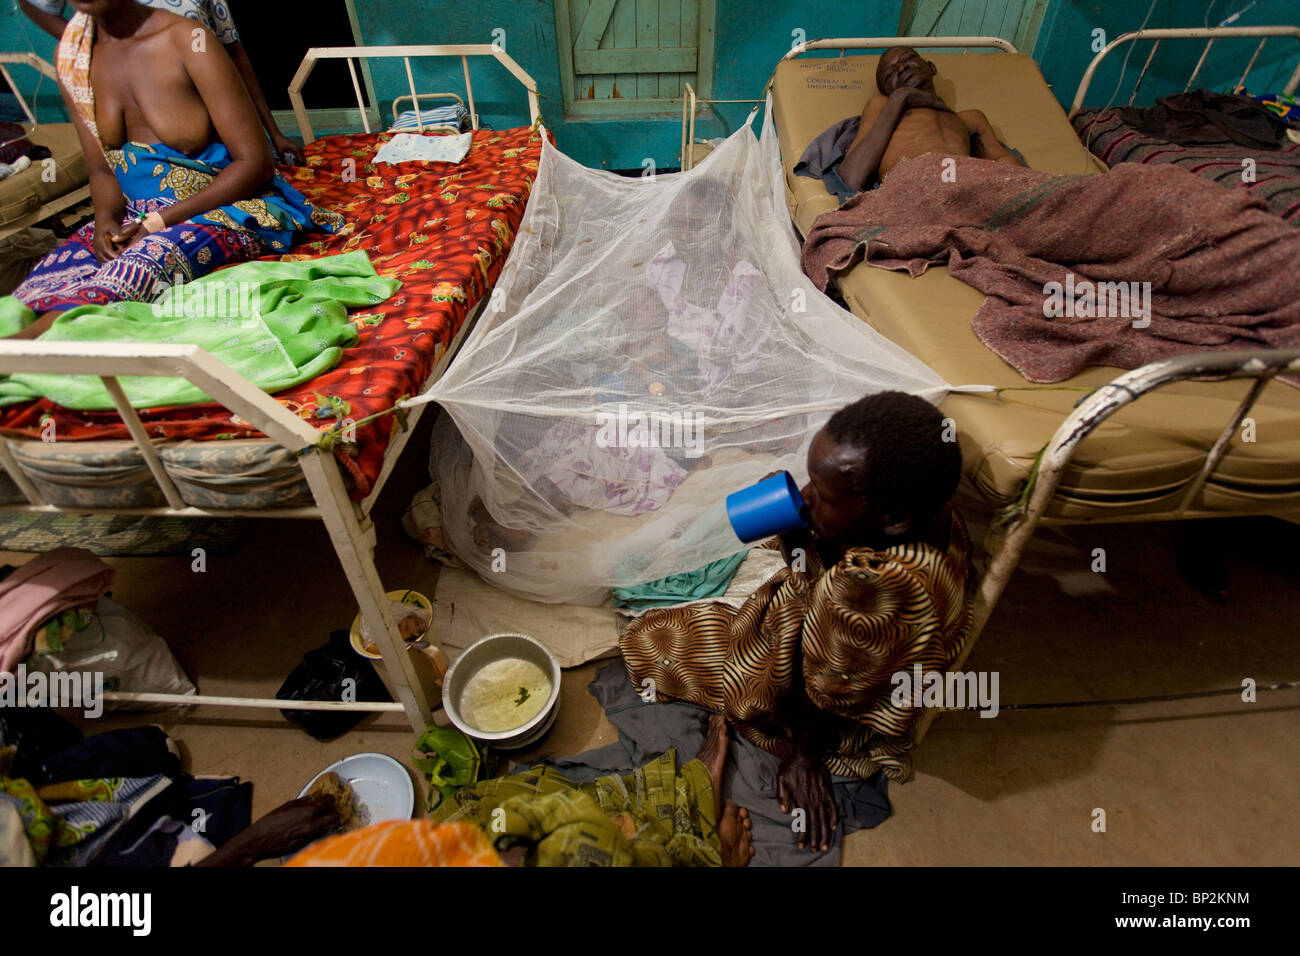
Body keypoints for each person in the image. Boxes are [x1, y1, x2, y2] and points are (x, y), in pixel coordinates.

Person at [620, 390, 976, 853]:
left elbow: (828, 689)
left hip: (847, 686)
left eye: (822, 495)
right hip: (881, 634)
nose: (805, 496)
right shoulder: (933, 508)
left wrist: (804, 756)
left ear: (892, 520)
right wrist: (807, 532)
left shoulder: (863, 589)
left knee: (647, 642)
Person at [3, 0, 342, 338]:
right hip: (134, 217)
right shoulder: (75, 59)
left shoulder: (188, 40)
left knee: (130, 275)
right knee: (40, 288)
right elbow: (103, 170)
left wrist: (158, 222)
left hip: (224, 207)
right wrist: (104, 223)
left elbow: (255, 164)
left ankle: (18, 355)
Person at [18, 0, 302, 162]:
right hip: (144, 162)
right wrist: (90, 48)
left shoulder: (188, 32)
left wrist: (273, 132)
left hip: (215, 133)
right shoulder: (88, 39)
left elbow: (235, 55)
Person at [839, 45, 1026, 193]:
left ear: (931, 68)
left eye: (908, 59)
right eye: (890, 74)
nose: (902, 68)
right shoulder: (883, 107)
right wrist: (901, 97)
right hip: (913, 184)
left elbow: (1008, 165)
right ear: (886, 91)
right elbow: (853, 176)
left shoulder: (970, 119)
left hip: (963, 183)